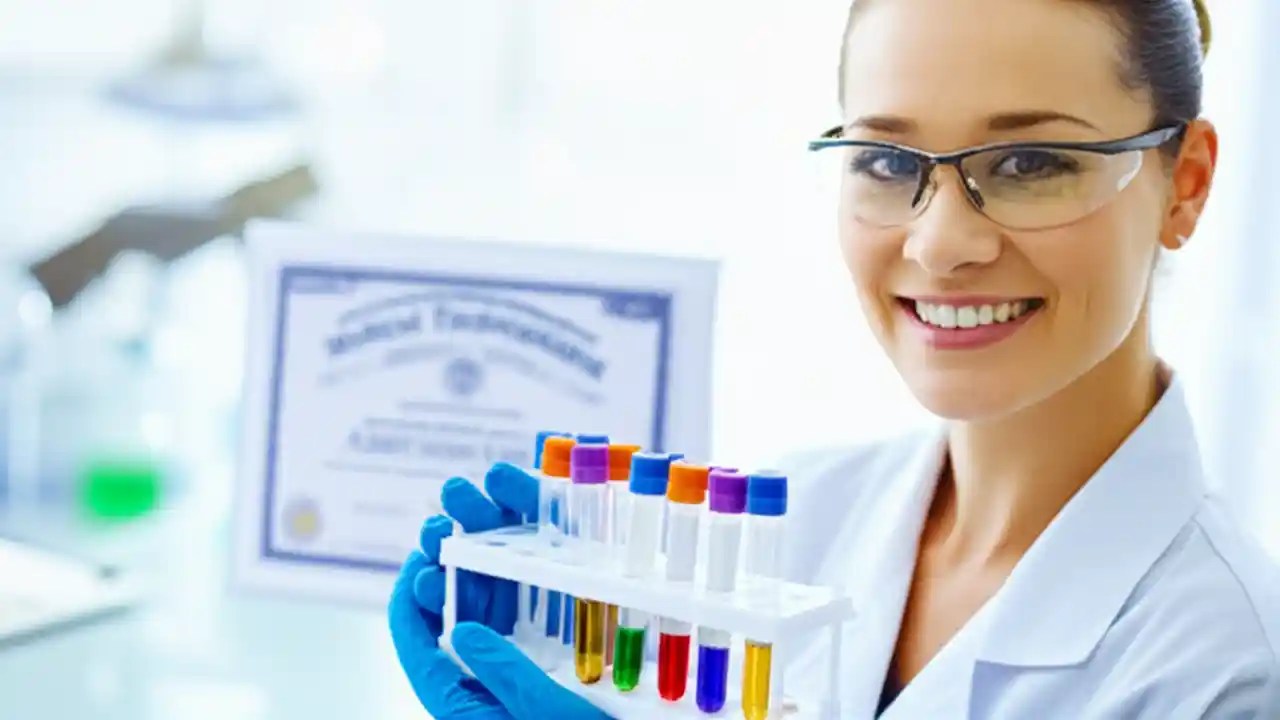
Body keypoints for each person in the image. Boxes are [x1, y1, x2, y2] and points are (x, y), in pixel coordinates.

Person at [388, 0, 1280, 717]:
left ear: (1185, 185)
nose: (941, 244)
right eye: (889, 162)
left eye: (1030, 162)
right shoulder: (797, 523)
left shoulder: (1228, 669)